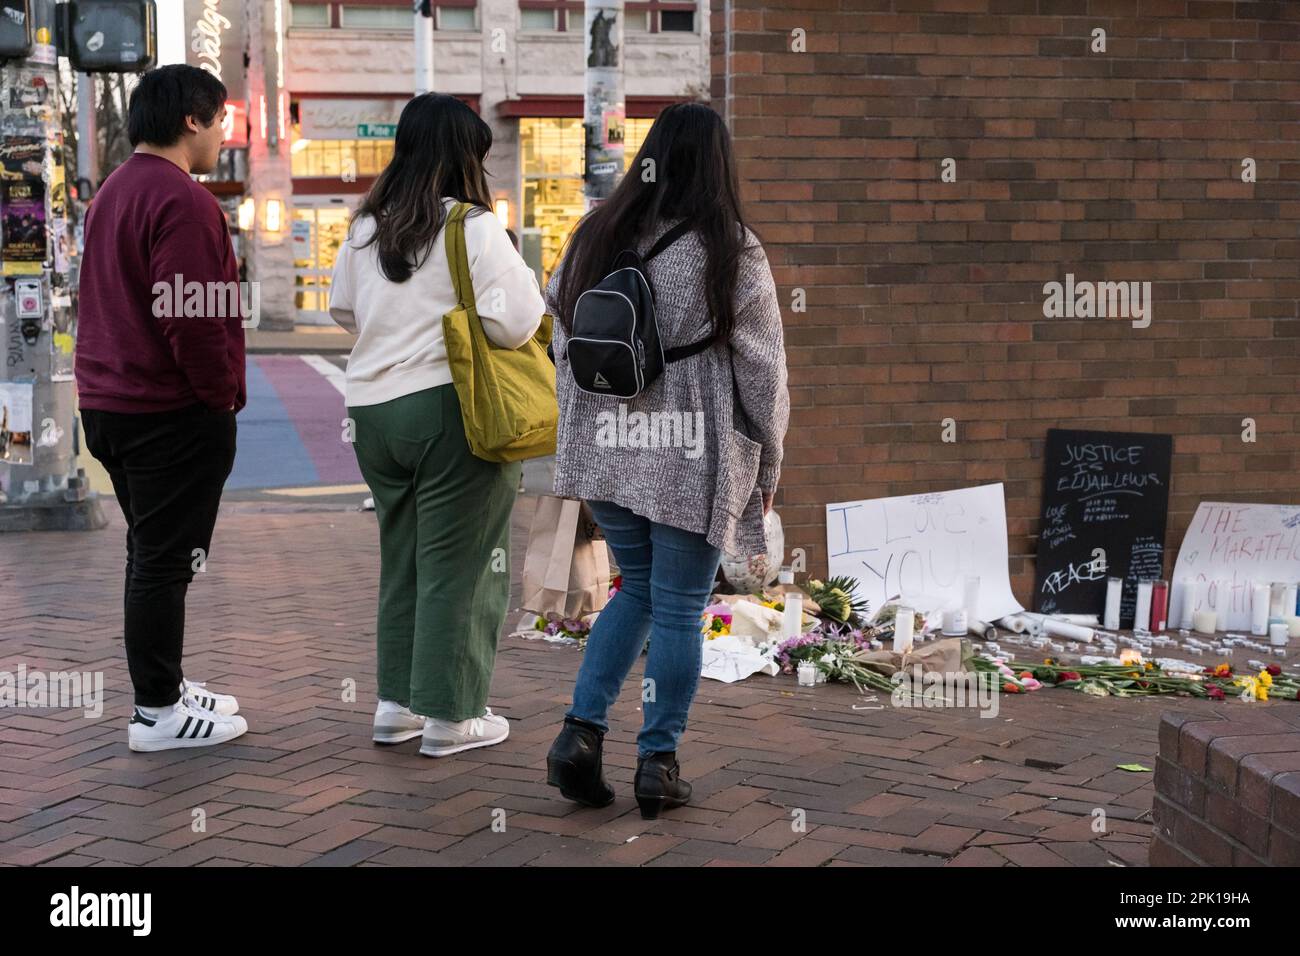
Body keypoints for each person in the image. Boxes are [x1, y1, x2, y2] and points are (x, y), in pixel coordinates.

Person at [543, 103, 789, 819]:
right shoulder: (731, 248)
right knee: (679, 605)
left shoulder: (596, 233)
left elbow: (559, 336)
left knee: (638, 590)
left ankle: (579, 737)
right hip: (690, 451)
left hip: (608, 450)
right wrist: (766, 466)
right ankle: (659, 762)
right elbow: (763, 373)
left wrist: (584, 425)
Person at [329, 94, 544, 757]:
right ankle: (453, 716)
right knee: (463, 564)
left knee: (405, 559)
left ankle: (396, 706)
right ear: (463, 157)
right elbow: (519, 321)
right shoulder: (473, 228)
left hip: (372, 413)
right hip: (450, 410)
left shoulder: (366, 227)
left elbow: (343, 311)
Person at [75, 64, 247, 751]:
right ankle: (157, 713)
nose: (224, 134)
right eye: (220, 120)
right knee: (164, 560)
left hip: (111, 401)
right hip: (167, 410)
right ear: (191, 121)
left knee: (151, 551)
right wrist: (219, 396)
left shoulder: (113, 191)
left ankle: (166, 688)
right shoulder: (183, 201)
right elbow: (193, 317)